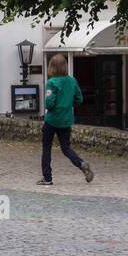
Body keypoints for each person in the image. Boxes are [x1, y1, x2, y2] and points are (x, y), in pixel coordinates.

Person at [39, 54, 94, 185]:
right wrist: (68, 105)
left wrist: (55, 106)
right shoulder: (72, 81)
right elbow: (79, 99)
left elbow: (49, 103)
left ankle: (47, 178)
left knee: (47, 148)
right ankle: (81, 164)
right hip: (66, 119)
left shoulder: (52, 83)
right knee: (66, 148)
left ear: (52, 67)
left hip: (52, 120)